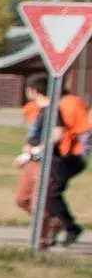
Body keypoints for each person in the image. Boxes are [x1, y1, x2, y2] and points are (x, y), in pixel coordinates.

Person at [24, 76, 85, 246]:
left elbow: (79, 132)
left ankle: (66, 227)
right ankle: (55, 226)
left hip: (66, 157)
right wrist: (30, 153)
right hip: (48, 158)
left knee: (51, 194)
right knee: (34, 197)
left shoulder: (66, 104)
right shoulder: (36, 108)